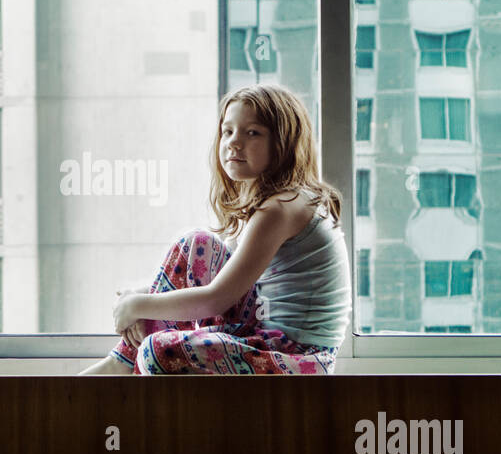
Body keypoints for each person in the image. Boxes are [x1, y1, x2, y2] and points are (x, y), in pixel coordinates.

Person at [78, 83, 352, 375]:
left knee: (158, 351)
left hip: (300, 356)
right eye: (228, 131)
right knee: (196, 244)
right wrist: (142, 294)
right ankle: (121, 362)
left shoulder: (279, 209)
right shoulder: (276, 200)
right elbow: (220, 279)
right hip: (267, 332)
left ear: (284, 143)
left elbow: (216, 298)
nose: (234, 143)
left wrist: (137, 306)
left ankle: (125, 365)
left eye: (252, 133)